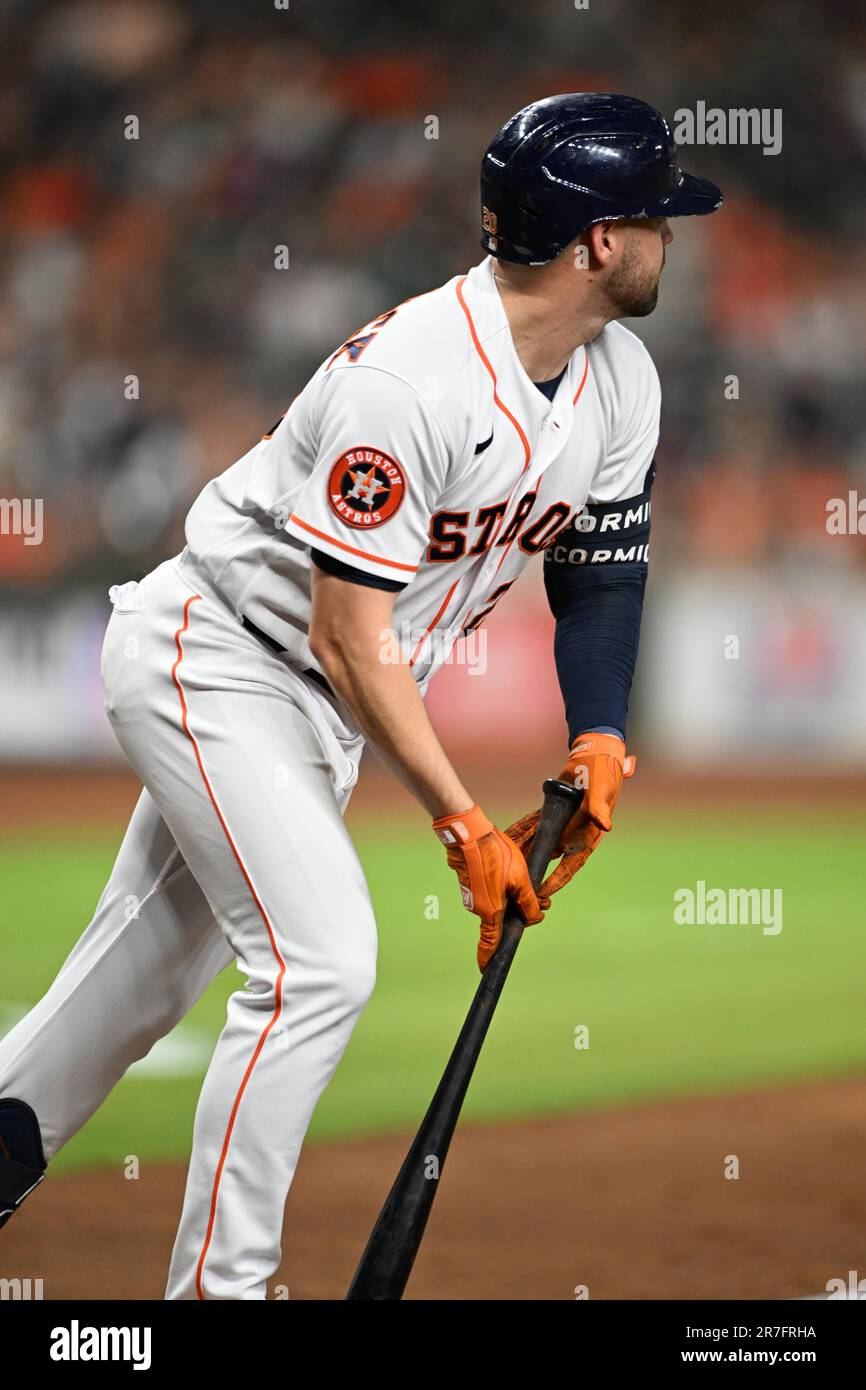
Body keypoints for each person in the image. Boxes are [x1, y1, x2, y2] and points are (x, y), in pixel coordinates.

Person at [0, 93, 723, 1298]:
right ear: (598, 240)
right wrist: (460, 823)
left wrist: (597, 735)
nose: (672, 237)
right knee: (320, 962)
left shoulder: (619, 381)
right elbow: (349, 633)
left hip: (305, 703)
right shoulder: (411, 380)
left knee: (132, 985)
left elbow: (598, 578)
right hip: (220, 656)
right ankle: (222, 1293)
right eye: (656, 216)